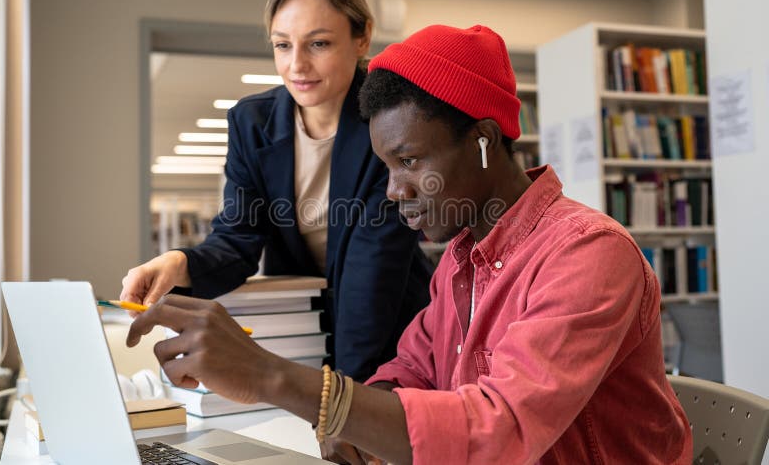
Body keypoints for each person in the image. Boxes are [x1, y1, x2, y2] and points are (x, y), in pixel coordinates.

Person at [127, 24, 693, 464]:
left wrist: (272, 377)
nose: (394, 191)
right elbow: (409, 371)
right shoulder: (461, 260)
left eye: (410, 161)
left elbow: (498, 431)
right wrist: (351, 426)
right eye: (385, 166)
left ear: (482, 142)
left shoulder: (588, 255)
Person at [121, 0, 432, 381]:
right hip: (301, 330)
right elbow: (237, 240)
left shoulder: (391, 120)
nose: (297, 65)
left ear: (362, 37)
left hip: (391, 333)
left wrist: (343, 399)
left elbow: (372, 271)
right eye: (282, 45)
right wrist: (179, 262)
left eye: (318, 43)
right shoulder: (252, 123)